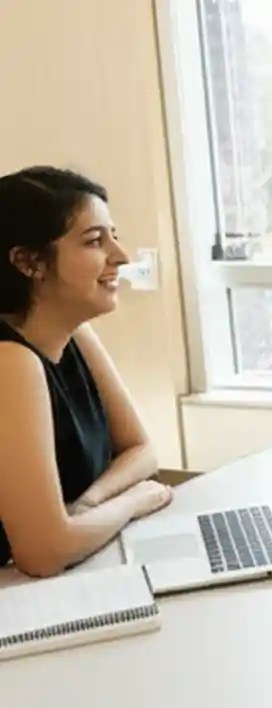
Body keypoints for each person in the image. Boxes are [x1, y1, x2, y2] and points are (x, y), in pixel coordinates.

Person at [0, 166, 173, 576]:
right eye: (95, 240)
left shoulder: (76, 335)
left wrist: (89, 506)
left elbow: (141, 451)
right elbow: (44, 553)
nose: (121, 256)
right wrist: (133, 501)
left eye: (114, 236)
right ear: (29, 262)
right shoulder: (11, 362)